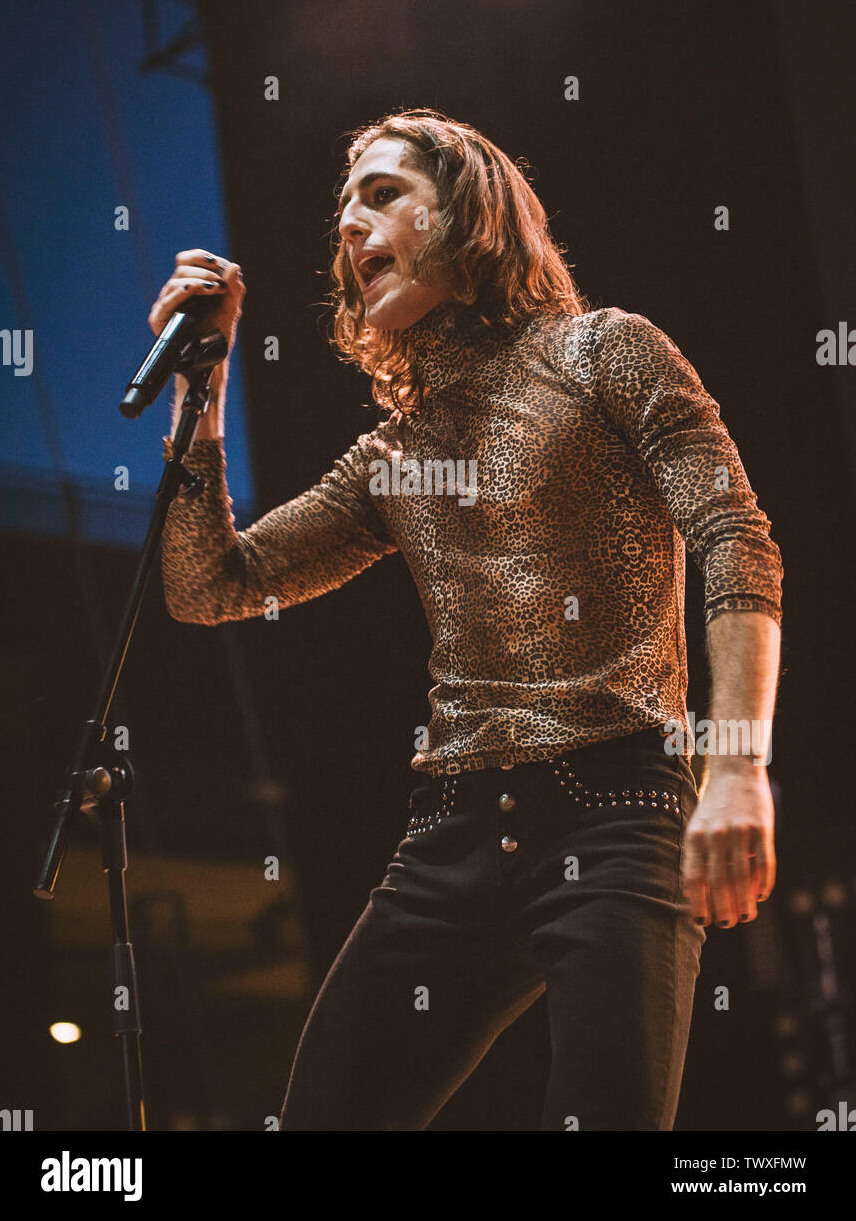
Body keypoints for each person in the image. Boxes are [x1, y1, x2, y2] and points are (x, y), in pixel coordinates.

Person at [152, 108, 783, 1131]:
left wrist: (739, 768)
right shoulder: (393, 456)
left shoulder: (605, 352)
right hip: (448, 835)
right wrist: (204, 388)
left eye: (384, 193)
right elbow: (209, 585)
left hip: (619, 809)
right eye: (342, 212)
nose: (352, 229)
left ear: (474, 213)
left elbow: (735, 537)